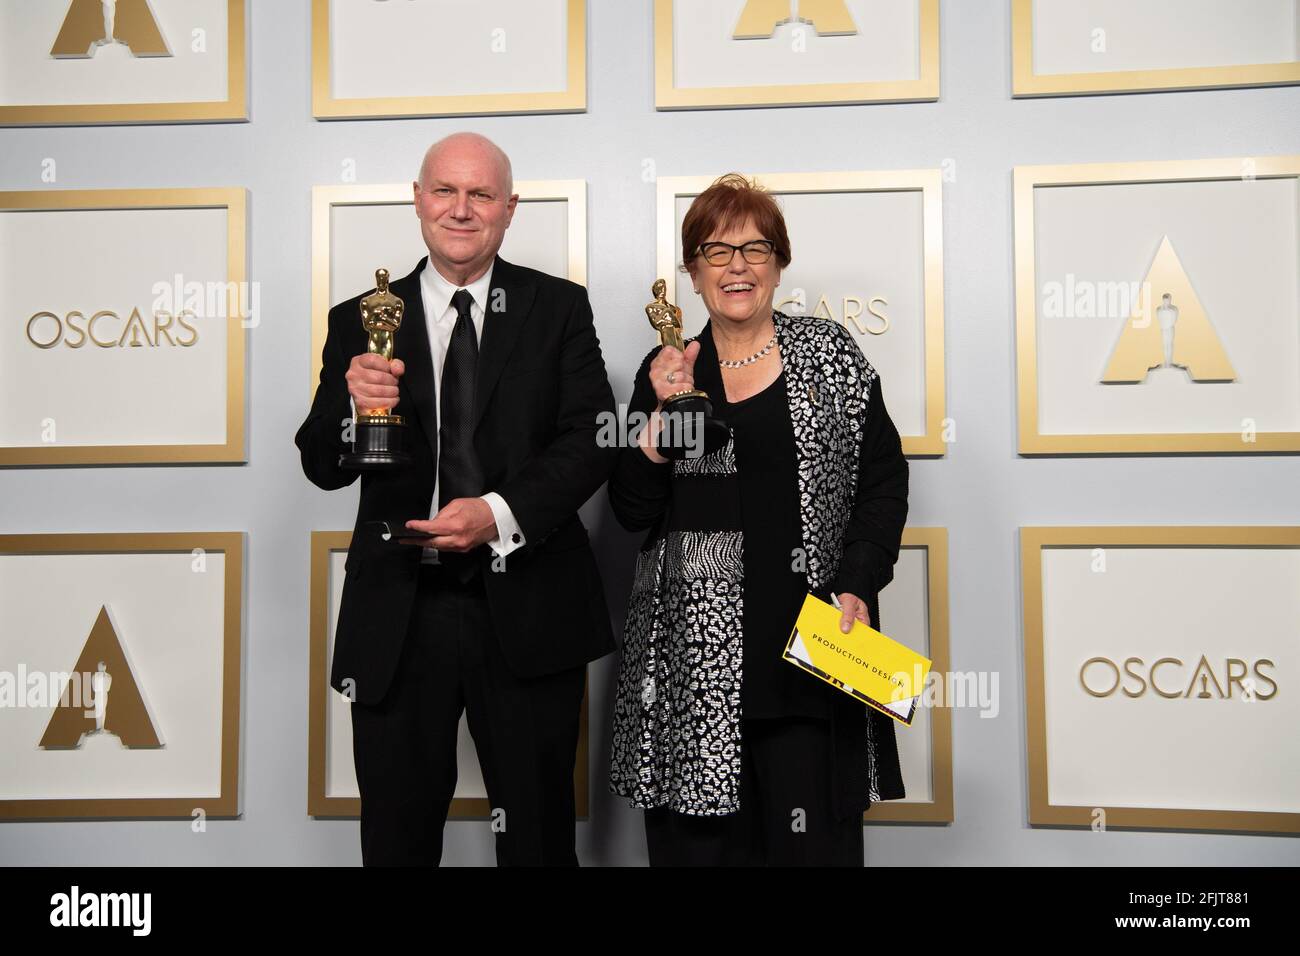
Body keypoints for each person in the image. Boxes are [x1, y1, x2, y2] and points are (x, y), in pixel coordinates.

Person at [296, 132, 618, 866]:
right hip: (401, 616)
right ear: (418, 200)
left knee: (536, 840)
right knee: (396, 842)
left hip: (530, 604)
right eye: (445, 191)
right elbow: (320, 462)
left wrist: (497, 513)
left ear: (510, 210)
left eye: (481, 195)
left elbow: (593, 438)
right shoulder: (360, 317)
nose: (461, 210)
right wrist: (354, 412)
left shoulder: (558, 307)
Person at [608, 173, 909, 866]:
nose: (737, 266)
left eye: (755, 248)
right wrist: (655, 422)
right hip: (693, 678)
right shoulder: (667, 371)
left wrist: (860, 583)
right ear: (692, 271)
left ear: (779, 263)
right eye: (716, 251)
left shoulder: (830, 355)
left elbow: (882, 485)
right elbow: (630, 511)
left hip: (811, 661)